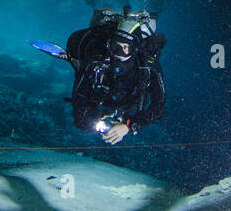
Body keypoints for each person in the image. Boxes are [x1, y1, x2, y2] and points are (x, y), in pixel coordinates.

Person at [66, 7, 165, 144]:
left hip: (128, 106)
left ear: (135, 49)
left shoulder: (146, 66)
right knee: (81, 123)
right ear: (109, 45)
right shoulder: (97, 60)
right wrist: (91, 120)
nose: (119, 53)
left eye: (126, 48)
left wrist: (129, 126)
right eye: (115, 47)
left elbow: (158, 105)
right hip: (102, 100)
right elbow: (79, 97)